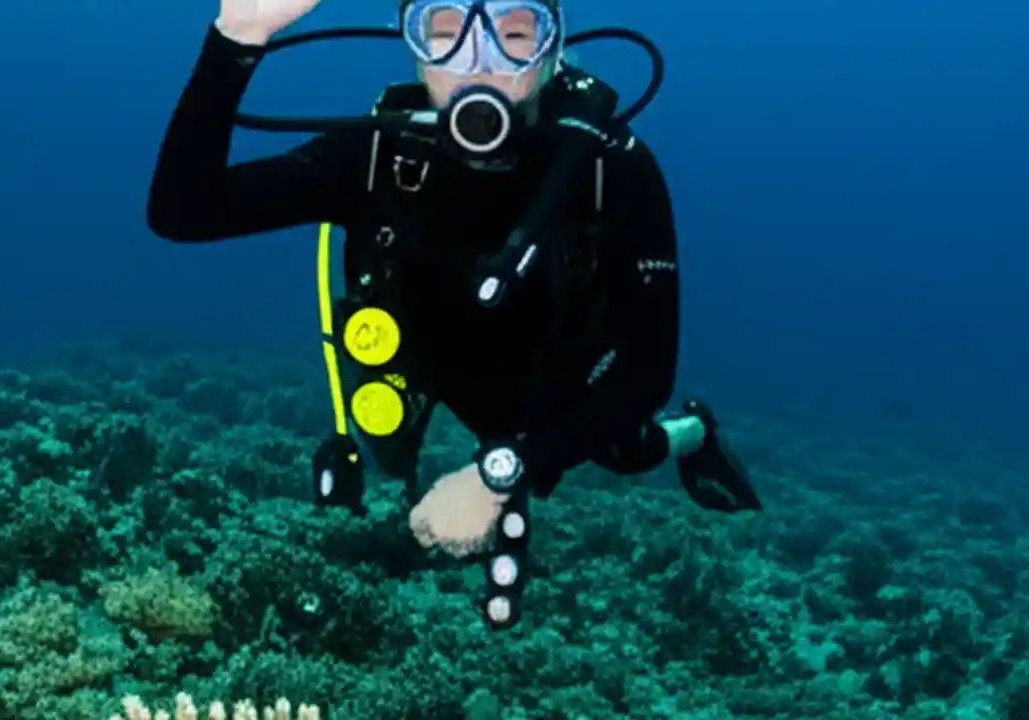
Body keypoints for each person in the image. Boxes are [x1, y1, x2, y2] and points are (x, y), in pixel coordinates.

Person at [147, 0, 762, 628]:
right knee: (391, 459)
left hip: (556, 378)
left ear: (551, 49)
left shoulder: (614, 168)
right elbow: (182, 211)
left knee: (627, 449)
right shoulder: (378, 155)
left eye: (514, 34)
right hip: (423, 363)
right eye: (445, 34)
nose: (480, 65)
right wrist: (237, 37)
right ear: (415, 49)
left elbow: (646, 372)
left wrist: (503, 470)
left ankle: (694, 433)